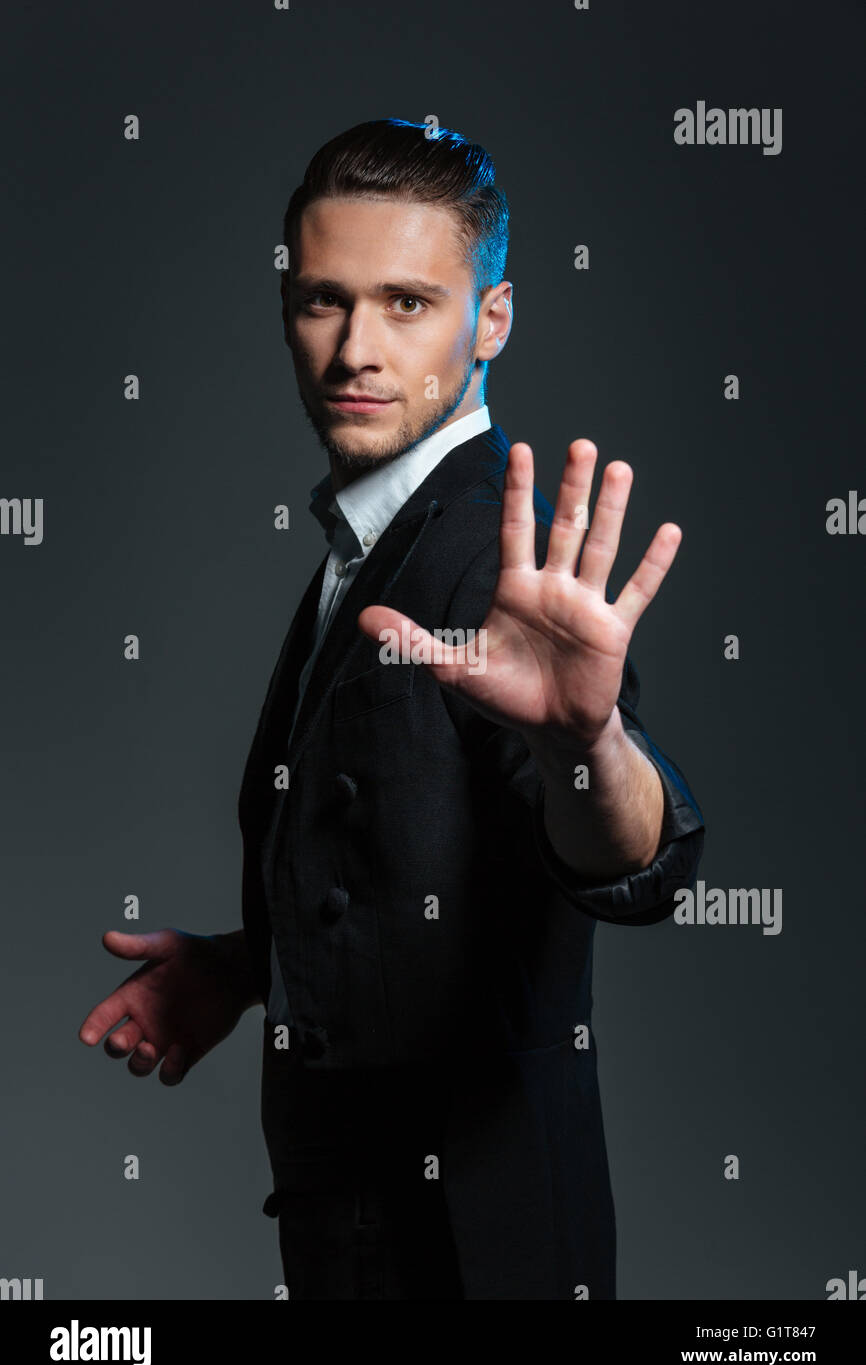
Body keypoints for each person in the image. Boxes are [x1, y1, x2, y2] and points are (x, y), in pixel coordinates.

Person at [79, 118, 705, 1300]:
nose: (356, 348)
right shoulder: (366, 541)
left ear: (493, 320)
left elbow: (636, 862)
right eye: (325, 300)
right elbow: (398, 867)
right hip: (358, 1240)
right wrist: (244, 963)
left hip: (476, 1252)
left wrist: (589, 739)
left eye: (408, 304)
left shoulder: (487, 558)